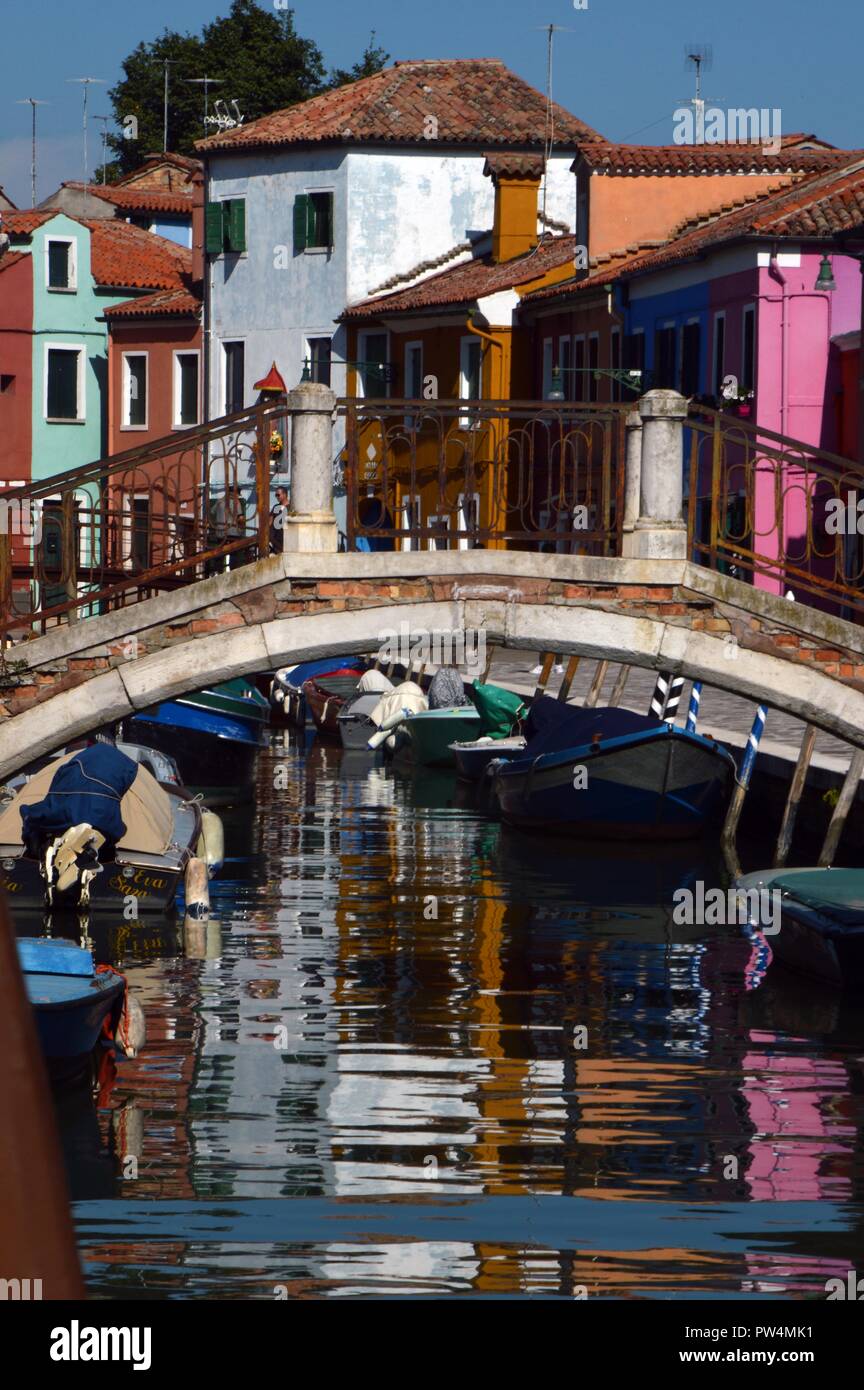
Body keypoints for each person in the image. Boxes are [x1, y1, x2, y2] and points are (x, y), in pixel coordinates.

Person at [269, 486, 289, 553]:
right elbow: (270, 521)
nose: (276, 497)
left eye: (278, 495)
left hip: (285, 537)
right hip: (275, 538)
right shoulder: (276, 507)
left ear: (284, 494)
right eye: (275, 495)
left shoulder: (291, 507)